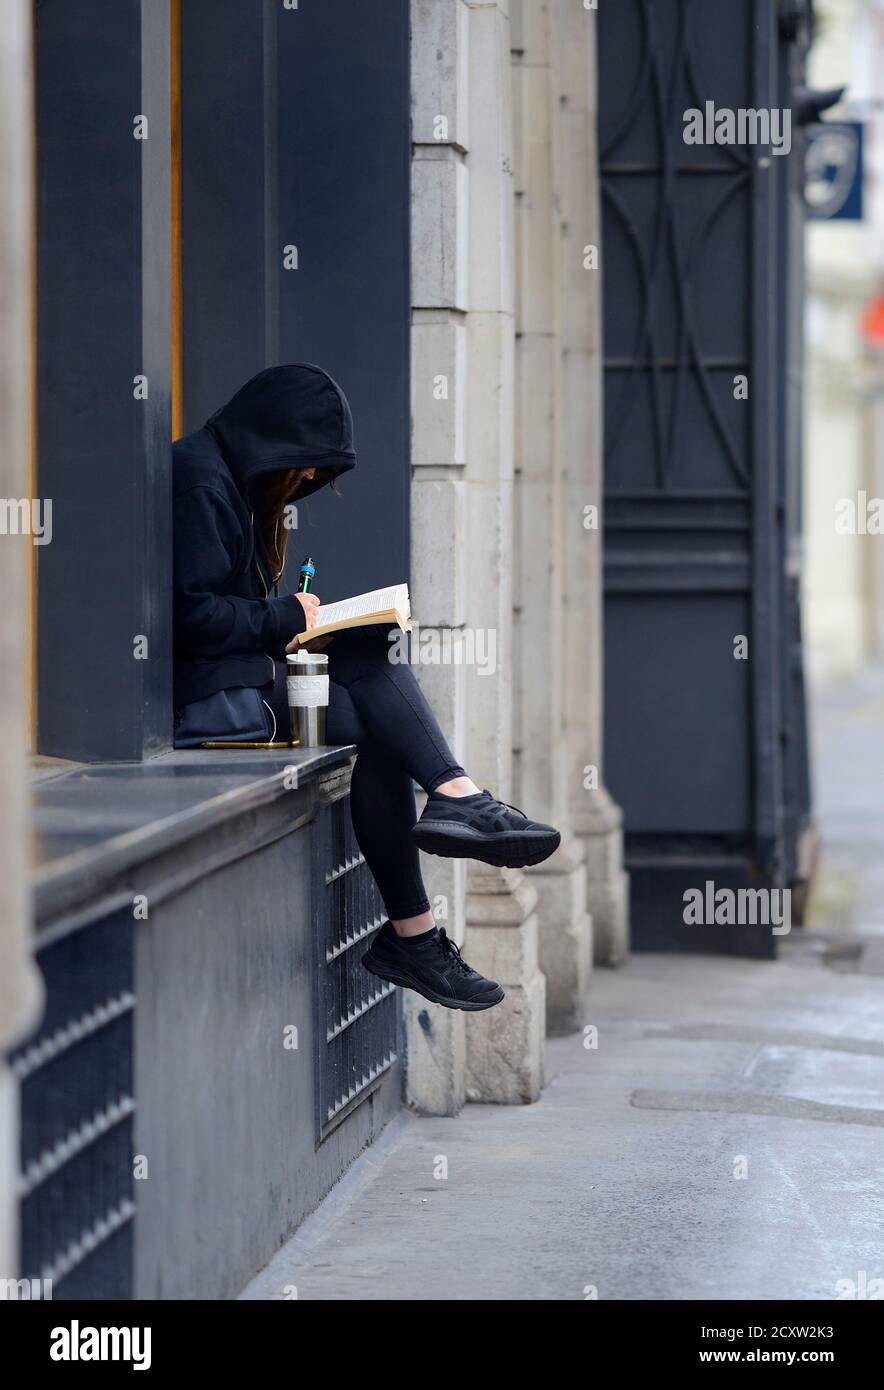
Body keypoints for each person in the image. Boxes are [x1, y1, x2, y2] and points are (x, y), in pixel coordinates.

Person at [172, 364, 560, 1012]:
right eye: (304, 464)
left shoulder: (228, 480)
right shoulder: (201, 482)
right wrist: (285, 618)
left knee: (374, 706)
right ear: (271, 435)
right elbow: (188, 618)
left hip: (236, 683)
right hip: (208, 705)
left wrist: (291, 628)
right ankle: (456, 802)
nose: (305, 479)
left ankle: (418, 927)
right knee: (374, 675)